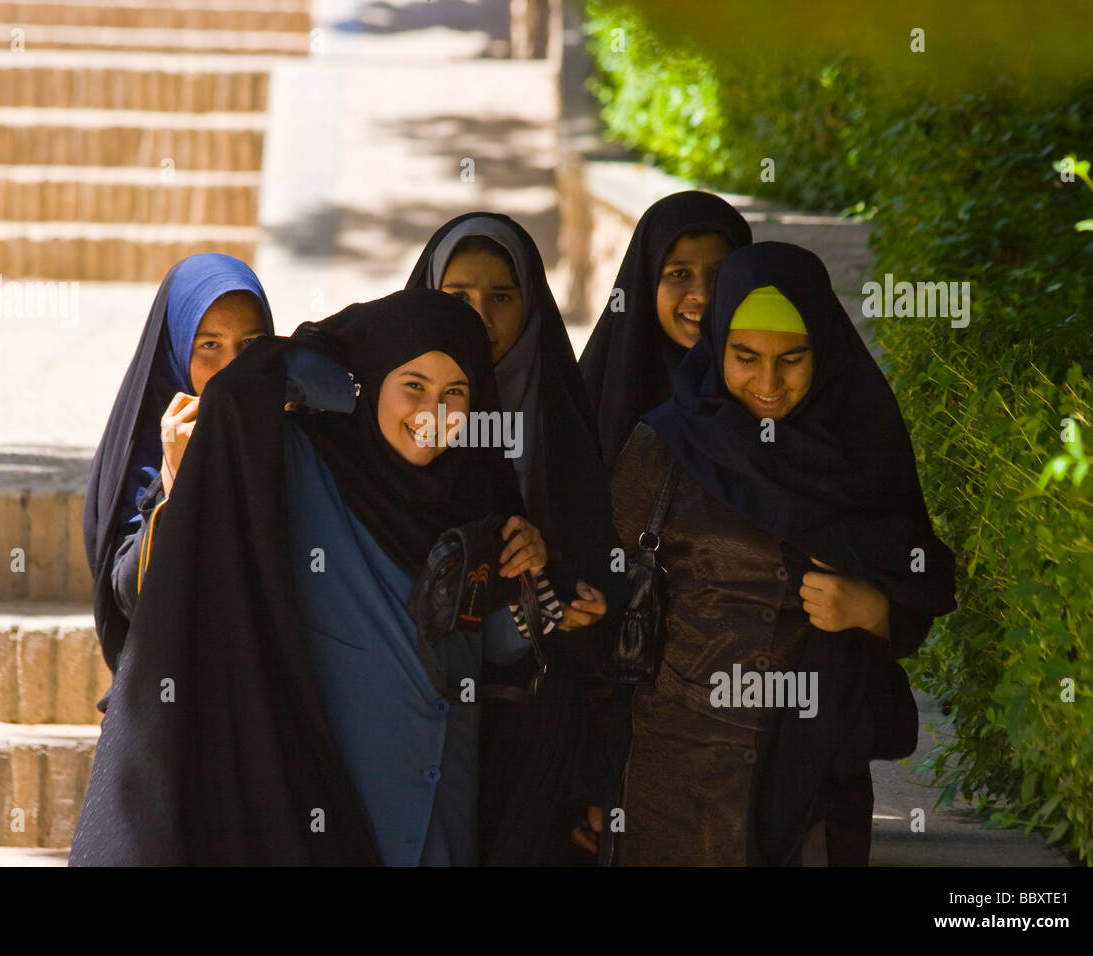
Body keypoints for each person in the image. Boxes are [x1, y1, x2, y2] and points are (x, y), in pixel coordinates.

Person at [70, 289, 552, 865]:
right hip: (335, 810)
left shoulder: (475, 495)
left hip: (443, 822)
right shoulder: (309, 467)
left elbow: (495, 649)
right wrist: (341, 377)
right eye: (413, 387)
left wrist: (529, 575)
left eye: (456, 393)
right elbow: (248, 386)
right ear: (371, 380)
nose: (434, 415)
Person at [597, 241, 957, 866]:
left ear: (824, 348)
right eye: (745, 357)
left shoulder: (861, 449)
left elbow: (919, 585)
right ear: (716, 347)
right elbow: (602, 599)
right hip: (677, 777)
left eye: (792, 359)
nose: (768, 383)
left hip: (816, 779)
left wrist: (872, 609)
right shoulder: (667, 446)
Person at [406, 212, 623, 862]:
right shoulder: (394, 408)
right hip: (413, 706)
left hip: (532, 723)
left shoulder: (561, 420)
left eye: (502, 296)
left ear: (531, 305)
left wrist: (572, 590)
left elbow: (597, 568)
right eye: (459, 297)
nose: (481, 316)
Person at [82, 253, 271, 675]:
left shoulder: (288, 436)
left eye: (252, 344)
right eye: (209, 345)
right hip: (169, 696)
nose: (231, 367)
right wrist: (176, 479)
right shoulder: (142, 454)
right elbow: (133, 600)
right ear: (175, 347)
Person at [579, 190, 753, 465]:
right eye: (679, 274)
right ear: (646, 283)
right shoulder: (595, 396)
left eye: (719, 275)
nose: (703, 294)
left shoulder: (766, 387)